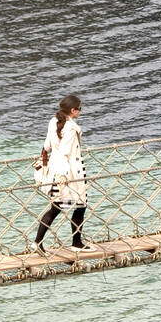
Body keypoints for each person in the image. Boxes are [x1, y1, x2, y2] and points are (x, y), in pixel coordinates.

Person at [34, 95, 98, 253]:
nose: (80, 112)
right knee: (80, 206)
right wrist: (63, 175)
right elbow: (64, 153)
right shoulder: (70, 129)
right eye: (79, 109)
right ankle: (76, 243)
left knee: (56, 207)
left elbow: (47, 145)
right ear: (73, 110)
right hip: (70, 172)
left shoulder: (53, 121)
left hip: (55, 170)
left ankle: (38, 242)